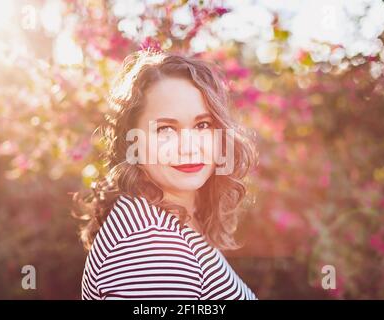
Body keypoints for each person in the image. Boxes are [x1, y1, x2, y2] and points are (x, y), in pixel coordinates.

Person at [72, 49, 258, 300]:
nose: (189, 147)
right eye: (165, 129)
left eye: (203, 125)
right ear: (133, 142)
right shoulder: (148, 249)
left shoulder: (170, 216)